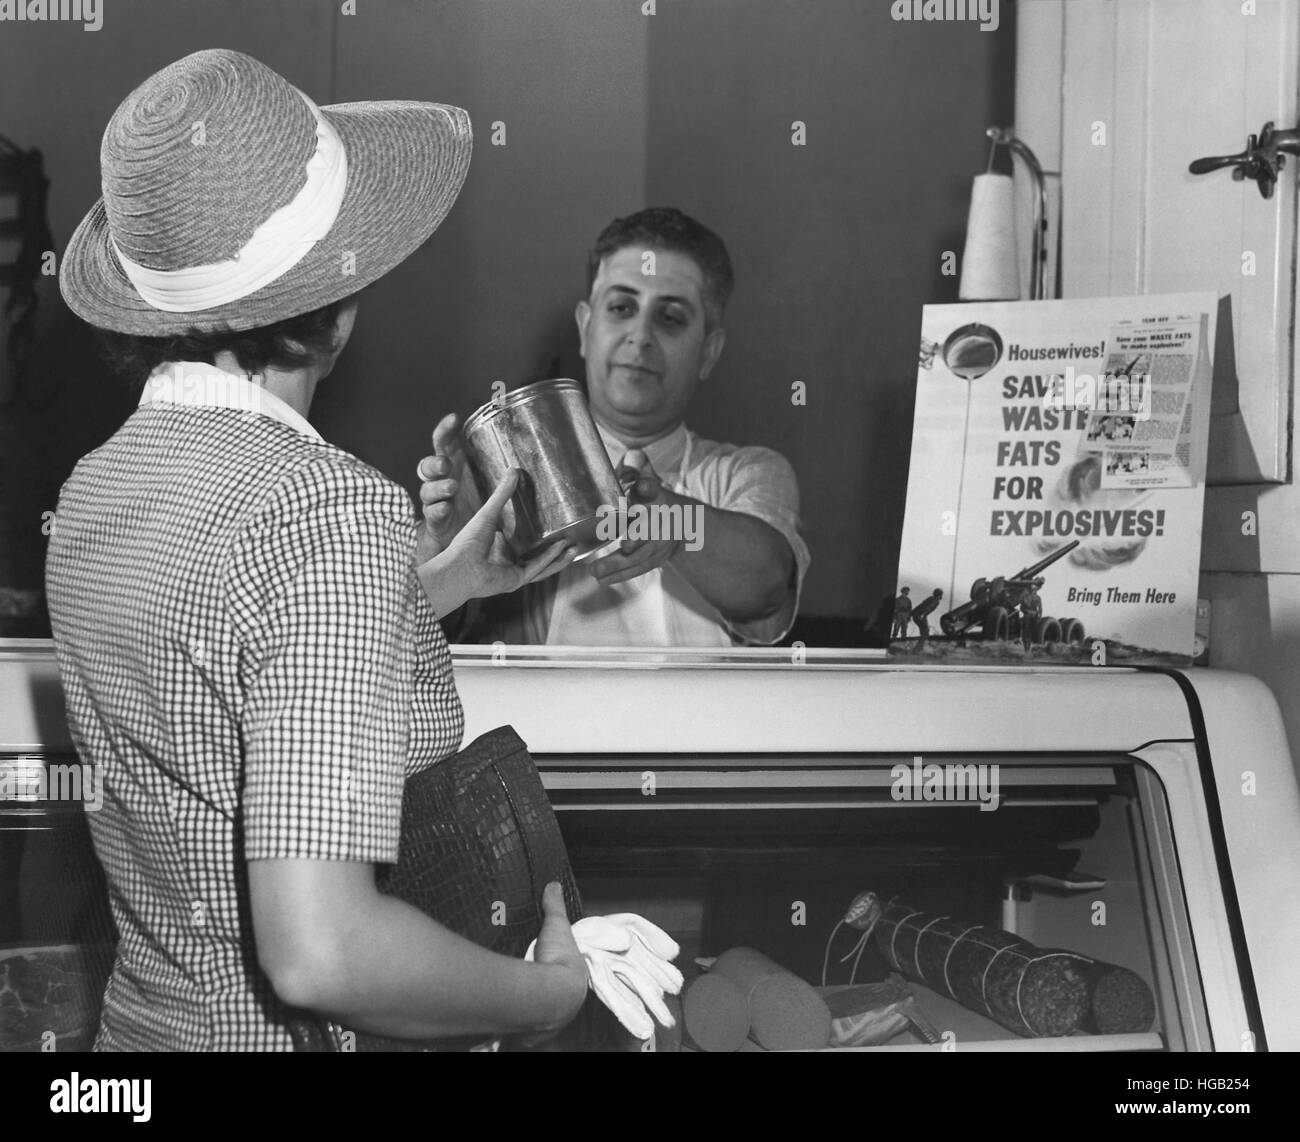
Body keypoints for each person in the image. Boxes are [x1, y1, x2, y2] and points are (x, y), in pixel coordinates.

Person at [45, 50, 590, 1051]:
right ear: (335, 307)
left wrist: (430, 584)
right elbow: (323, 951)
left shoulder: (94, 488)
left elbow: (221, 656)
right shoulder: (329, 510)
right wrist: (547, 997)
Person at [418, 207, 810, 646]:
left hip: (710, 718)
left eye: (671, 317)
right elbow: (410, 636)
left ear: (708, 353)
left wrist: (676, 526)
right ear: (586, 328)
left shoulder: (747, 472)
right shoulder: (504, 474)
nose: (640, 336)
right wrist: (443, 548)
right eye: (622, 307)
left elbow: (767, 586)